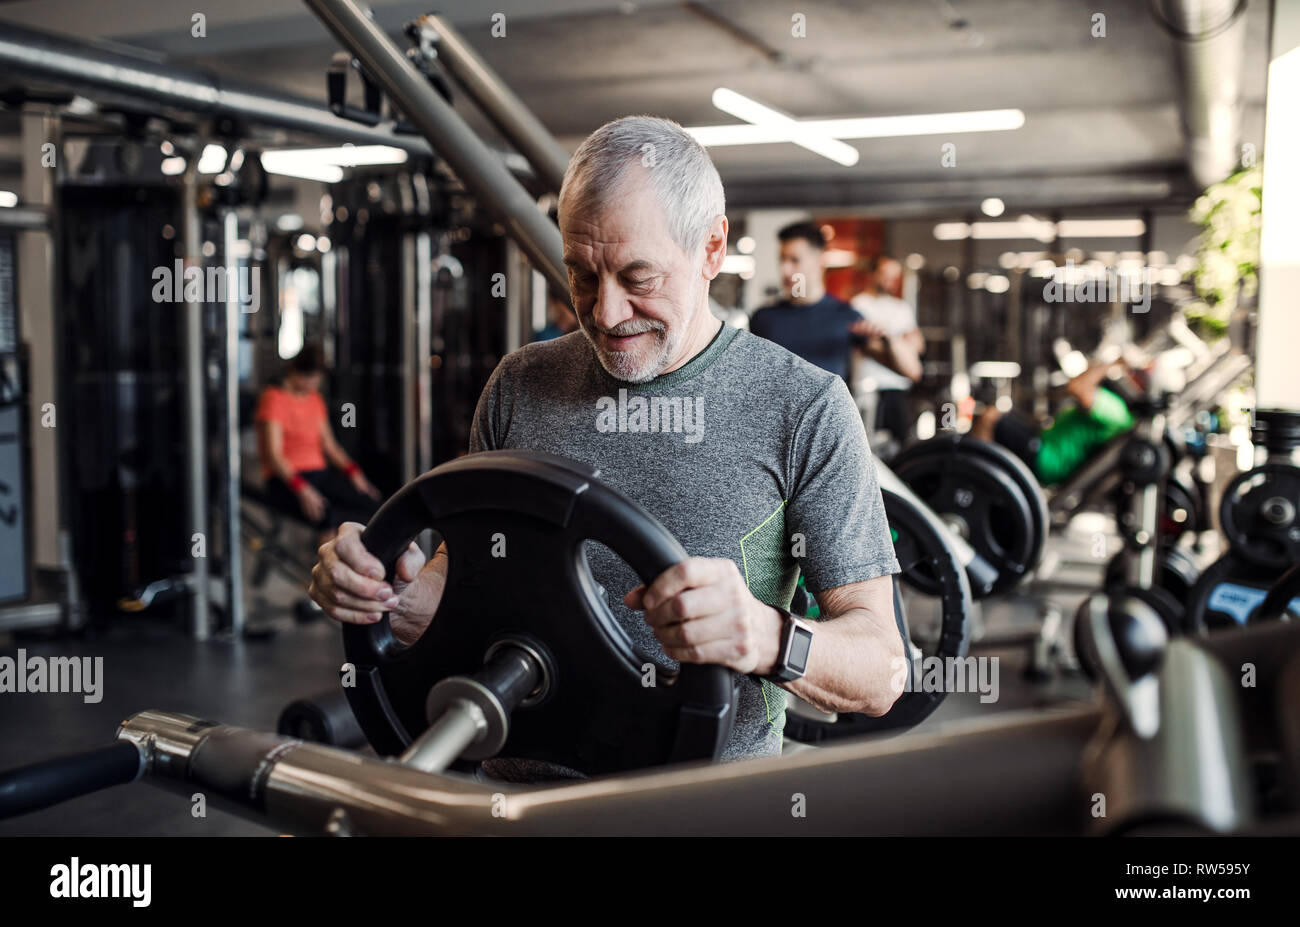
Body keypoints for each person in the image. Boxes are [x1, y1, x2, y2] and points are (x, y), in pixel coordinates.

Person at [308, 116, 905, 775]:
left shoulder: (803, 406)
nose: (605, 312)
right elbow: (462, 571)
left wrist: (765, 637)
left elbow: (880, 669)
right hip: (518, 804)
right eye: (582, 275)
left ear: (712, 249)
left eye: (638, 277)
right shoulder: (519, 383)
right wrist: (385, 593)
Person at [254, 344, 382, 540]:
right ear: (296, 373)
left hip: (320, 475)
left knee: (373, 507)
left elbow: (330, 446)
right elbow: (274, 454)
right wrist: (303, 489)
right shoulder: (274, 398)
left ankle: (378, 568)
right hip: (286, 480)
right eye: (311, 378)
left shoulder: (315, 399)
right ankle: (329, 567)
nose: (315, 384)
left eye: (318, 378)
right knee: (330, 516)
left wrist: (356, 474)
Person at [971, 359, 1138, 486]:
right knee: (999, 415)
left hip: (1045, 459)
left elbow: (1077, 387)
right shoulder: (1121, 412)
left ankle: (974, 477)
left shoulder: (1117, 411)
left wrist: (1111, 363)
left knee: (990, 416)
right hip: (1043, 446)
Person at [748, 221, 863, 382]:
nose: (785, 270)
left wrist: (889, 341)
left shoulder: (846, 316)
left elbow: (908, 369)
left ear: (820, 261)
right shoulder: (763, 318)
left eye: (795, 260)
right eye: (782, 260)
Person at [850, 255, 925, 443]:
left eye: (894, 276)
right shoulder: (859, 305)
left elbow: (918, 345)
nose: (890, 280)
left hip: (897, 388)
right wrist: (900, 348)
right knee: (867, 445)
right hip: (868, 389)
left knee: (899, 446)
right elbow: (866, 345)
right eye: (885, 274)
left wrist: (887, 341)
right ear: (873, 274)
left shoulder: (902, 308)